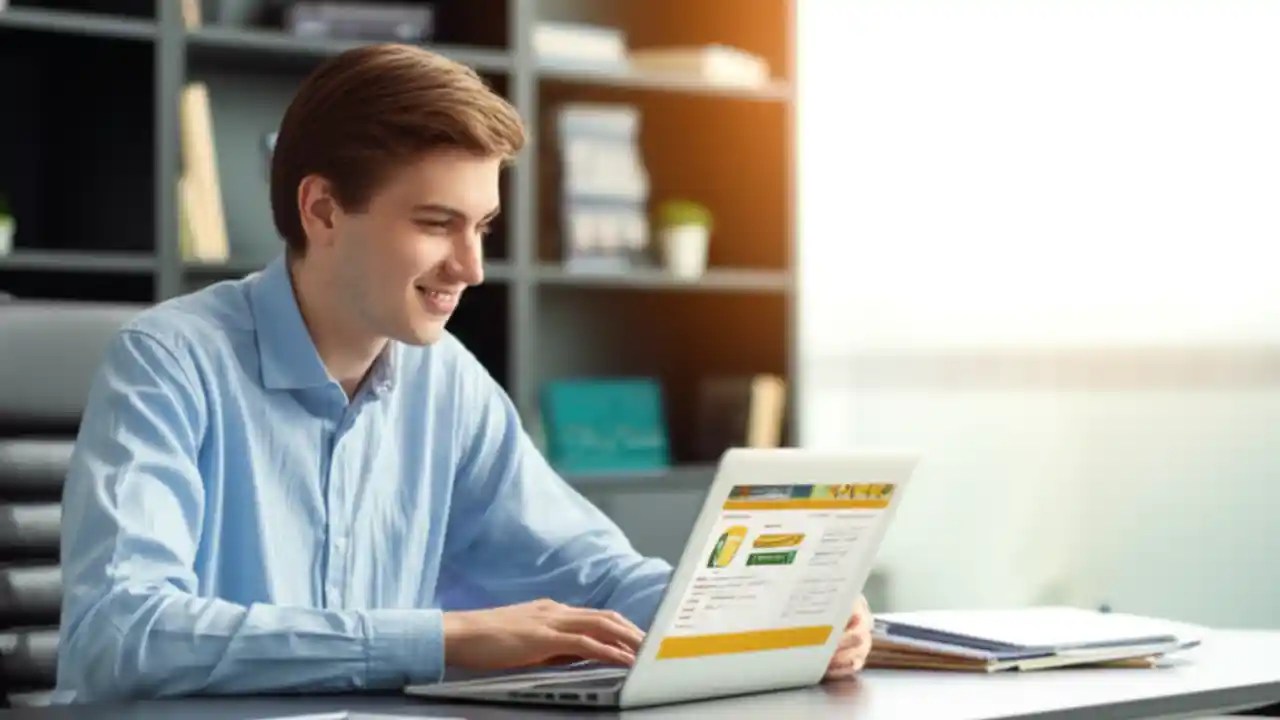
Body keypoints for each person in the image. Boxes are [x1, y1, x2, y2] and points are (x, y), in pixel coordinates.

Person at [54, 43, 873, 704]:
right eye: (437, 223)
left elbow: (591, 574)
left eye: (481, 224)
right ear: (323, 210)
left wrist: (776, 616)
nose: (472, 267)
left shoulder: (442, 378)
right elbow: (122, 632)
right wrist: (441, 639)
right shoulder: (166, 364)